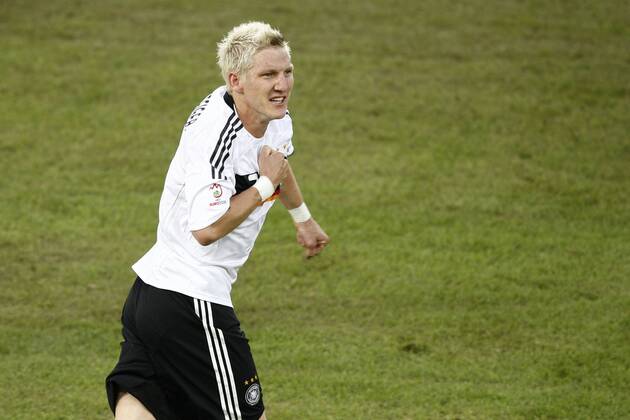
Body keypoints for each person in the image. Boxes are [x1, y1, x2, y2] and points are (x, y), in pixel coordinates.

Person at [105, 21, 329, 420]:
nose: (282, 85)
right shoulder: (215, 139)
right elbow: (206, 230)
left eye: (287, 72)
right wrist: (263, 186)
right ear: (236, 81)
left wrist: (302, 218)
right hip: (191, 301)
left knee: (142, 401)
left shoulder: (273, 115)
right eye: (268, 75)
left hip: (151, 295)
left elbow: (279, 163)